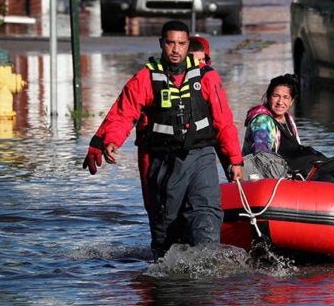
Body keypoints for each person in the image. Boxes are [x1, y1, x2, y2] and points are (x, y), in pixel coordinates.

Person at [82, 20, 244, 259]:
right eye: (170, 43)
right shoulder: (145, 78)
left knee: (206, 214)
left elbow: (223, 120)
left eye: (181, 44)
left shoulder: (207, 77)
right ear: (161, 44)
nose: (175, 49)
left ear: (188, 45)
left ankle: (207, 273)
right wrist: (112, 141)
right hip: (163, 162)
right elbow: (123, 113)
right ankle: (167, 279)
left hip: (201, 158)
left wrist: (234, 160)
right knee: (166, 226)